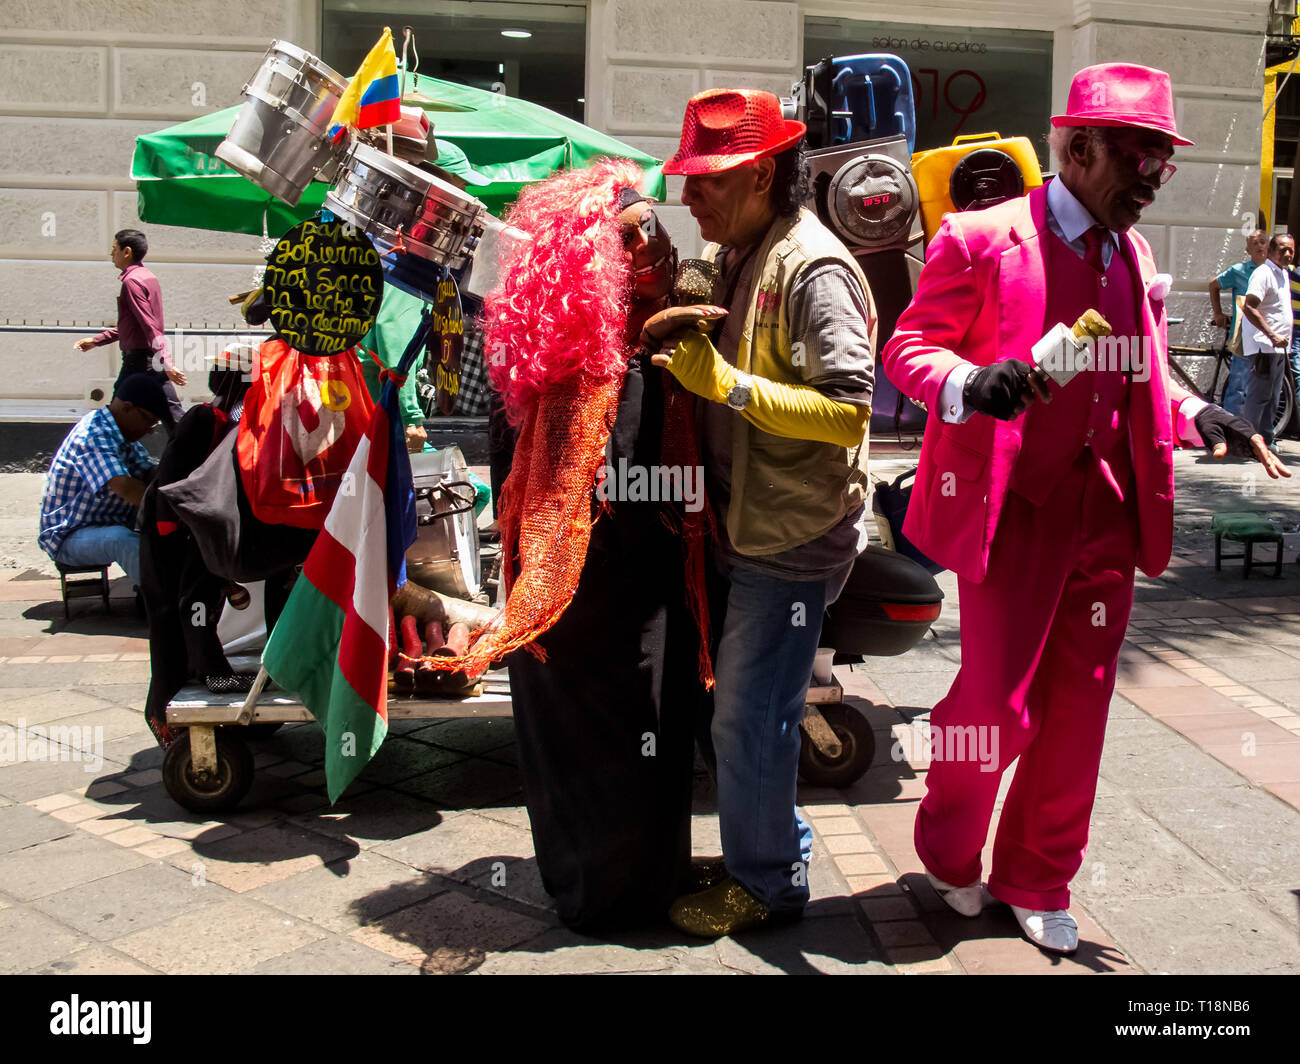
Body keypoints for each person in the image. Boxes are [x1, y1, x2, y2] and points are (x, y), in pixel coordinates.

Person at [880, 62, 1288, 954]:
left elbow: (1143, 379)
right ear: (1079, 146)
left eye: (1162, 159)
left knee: (1081, 706)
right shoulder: (983, 238)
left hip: (1109, 509)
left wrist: (1199, 413)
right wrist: (969, 381)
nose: (1151, 175)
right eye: (1140, 154)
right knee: (992, 707)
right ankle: (949, 850)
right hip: (1015, 509)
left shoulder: (1131, 252)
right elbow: (908, 348)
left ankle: (1038, 872)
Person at [427, 159, 714, 933]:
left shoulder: (639, 333)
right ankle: (615, 896)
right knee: (612, 751)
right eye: (631, 236)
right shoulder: (591, 368)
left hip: (615, 601)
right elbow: (616, 485)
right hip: (597, 608)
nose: (653, 243)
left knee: (626, 751)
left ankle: (620, 884)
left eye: (652, 225)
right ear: (591, 262)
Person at [646, 88, 877, 937]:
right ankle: (770, 848)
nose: (688, 197)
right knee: (744, 710)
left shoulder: (812, 267)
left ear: (764, 173)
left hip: (792, 537)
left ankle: (768, 883)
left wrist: (725, 386)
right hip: (748, 523)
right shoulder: (745, 246)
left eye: (708, 180)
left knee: (752, 715)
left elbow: (850, 412)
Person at [38, 373, 168, 588]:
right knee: (119, 539)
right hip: (69, 537)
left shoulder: (120, 433)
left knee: (157, 526)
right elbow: (123, 486)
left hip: (102, 521)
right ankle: (165, 601)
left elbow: (148, 472)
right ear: (127, 408)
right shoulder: (94, 435)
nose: (149, 431)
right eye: (149, 422)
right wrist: (169, 508)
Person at [74, 229, 186, 429]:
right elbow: (134, 325)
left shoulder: (131, 282)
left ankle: (106, 454)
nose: (111, 254)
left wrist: (167, 362)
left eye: (114, 249)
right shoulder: (147, 277)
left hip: (140, 360)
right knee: (172, 414)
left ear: (126, 252)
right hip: (150, 358)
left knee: (116, 415)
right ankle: (196, 455)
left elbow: (149, 325)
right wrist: (96, 341)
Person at [358, 282, 430, 453]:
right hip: (371, 408)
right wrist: (410, 419)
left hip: (354, 395)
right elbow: (398, 348)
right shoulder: (408, 276)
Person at [1241, 233, 1296, 451]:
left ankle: (1266, 439)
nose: (1288, 254)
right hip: (1264, 344)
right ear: (1271, 251)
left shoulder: (1282, 273)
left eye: (1291, 250)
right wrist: (1272, 335)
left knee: (1273, 397)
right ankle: (1252, 443)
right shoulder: (1263, 273)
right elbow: (1249, 306)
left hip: (1278, 347)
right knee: (1260, 396)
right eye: (1283, 249)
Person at [1208, 228, 1268, 413]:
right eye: (1254, 242)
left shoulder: (1275, 272)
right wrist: (1218, 313)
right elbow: (1213, 285)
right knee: (1239, 386)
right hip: (1244, 335)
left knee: (1264, 387)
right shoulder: (1239, 271)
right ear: (1247, 249)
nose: (1259, 245)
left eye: (1263, 241)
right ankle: (1232, 430)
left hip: (1267, 336)